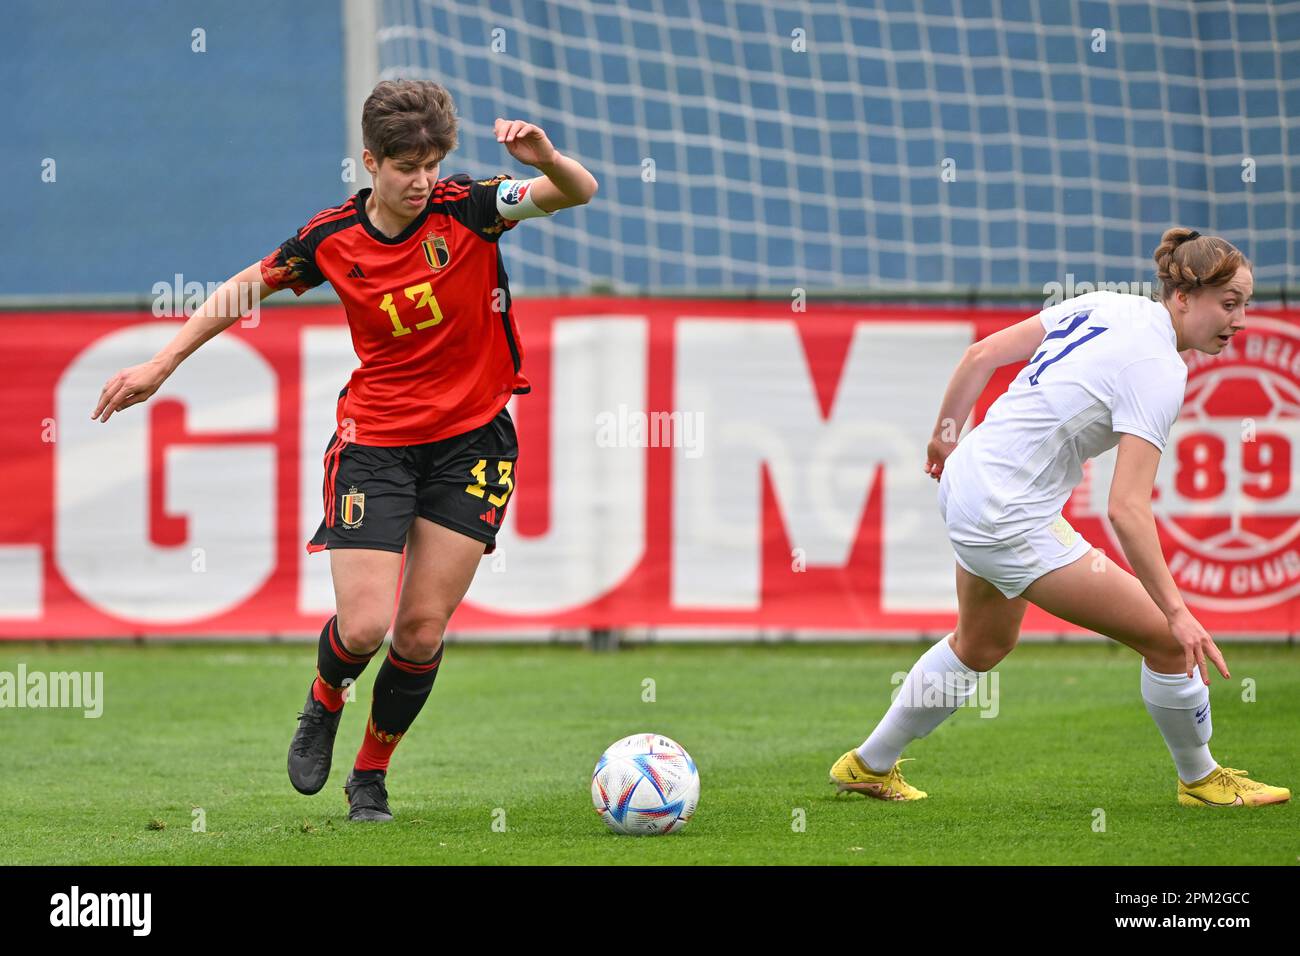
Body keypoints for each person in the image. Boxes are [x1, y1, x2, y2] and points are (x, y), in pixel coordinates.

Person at [91, 79, 598, 821]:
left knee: (421, 630)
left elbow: (578, 193)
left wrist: (545, 157)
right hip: (377, 445)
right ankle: (325, 699)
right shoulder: (332, 240)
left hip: (473, 441)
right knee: (364, 627)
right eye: (405, 166)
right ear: (370, 161)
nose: (422, 180)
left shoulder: (473, 208)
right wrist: (161, 365)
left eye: (431, 162)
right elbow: (245, 288)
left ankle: (370, 777)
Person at [830, 227, 1289, 808]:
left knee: (982, 642)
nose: (1241, 319)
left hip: (970, 479)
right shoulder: (1161, 370)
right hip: (1006, 513)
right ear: (1182, 297)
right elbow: (1125, 507)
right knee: (1170, 643)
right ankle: (1201, 780)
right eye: (1229, 304)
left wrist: (945, 440)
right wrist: (1179, 611)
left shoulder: (1109, 303)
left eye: (1246, 304)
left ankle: (868, 764)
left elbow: (980, 356)